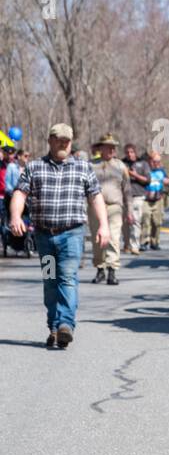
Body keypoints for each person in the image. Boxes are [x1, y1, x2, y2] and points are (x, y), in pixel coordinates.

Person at [7, 123, 109, 348]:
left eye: (67, 140)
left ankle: (65, 325)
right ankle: (53, 327)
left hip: (71, 235)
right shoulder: (35, 167)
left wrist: (104, 225)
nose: (63, 143)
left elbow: (95, 198)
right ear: (50, 141)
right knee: (50, 282)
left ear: (71, 143)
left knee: (67, 278)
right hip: (45, 237)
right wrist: (15, 217)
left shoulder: (83, 168)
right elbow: (20, 194)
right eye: (58, 139)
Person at [89, 133, 131, 285]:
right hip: (95, 208)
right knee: (98, 239)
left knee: (113, 238)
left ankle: (112, 270)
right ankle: (100, 268)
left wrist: (130, 211)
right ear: (101, 148)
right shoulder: (91, 165)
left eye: (114, 147)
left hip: (115, 207)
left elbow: (127, 190)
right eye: (109, 146)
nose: (113, 149)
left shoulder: (121, 166)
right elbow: (84, 189)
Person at [123, 143, 148, 253]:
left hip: (138, 196)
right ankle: (127, 244)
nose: (129, 154)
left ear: (135, 152)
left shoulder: (143, 164)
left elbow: (147, 180)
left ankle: (135, 246)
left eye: (131, 152)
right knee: (125, 223)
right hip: (124, 197)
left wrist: (134, 175)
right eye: (127, 152)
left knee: (135, 221)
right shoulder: (121, 163)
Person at [140, 151, 167, 249]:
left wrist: (166, 181)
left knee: (157, 222)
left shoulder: (162, 171)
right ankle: (143, 242)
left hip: (158, 199)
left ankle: (155, 242)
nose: (157, 163)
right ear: (150, 161)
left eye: (159, 161)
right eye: (155, 161)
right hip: (146, 199)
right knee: (145, 220)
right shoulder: (145, 170)